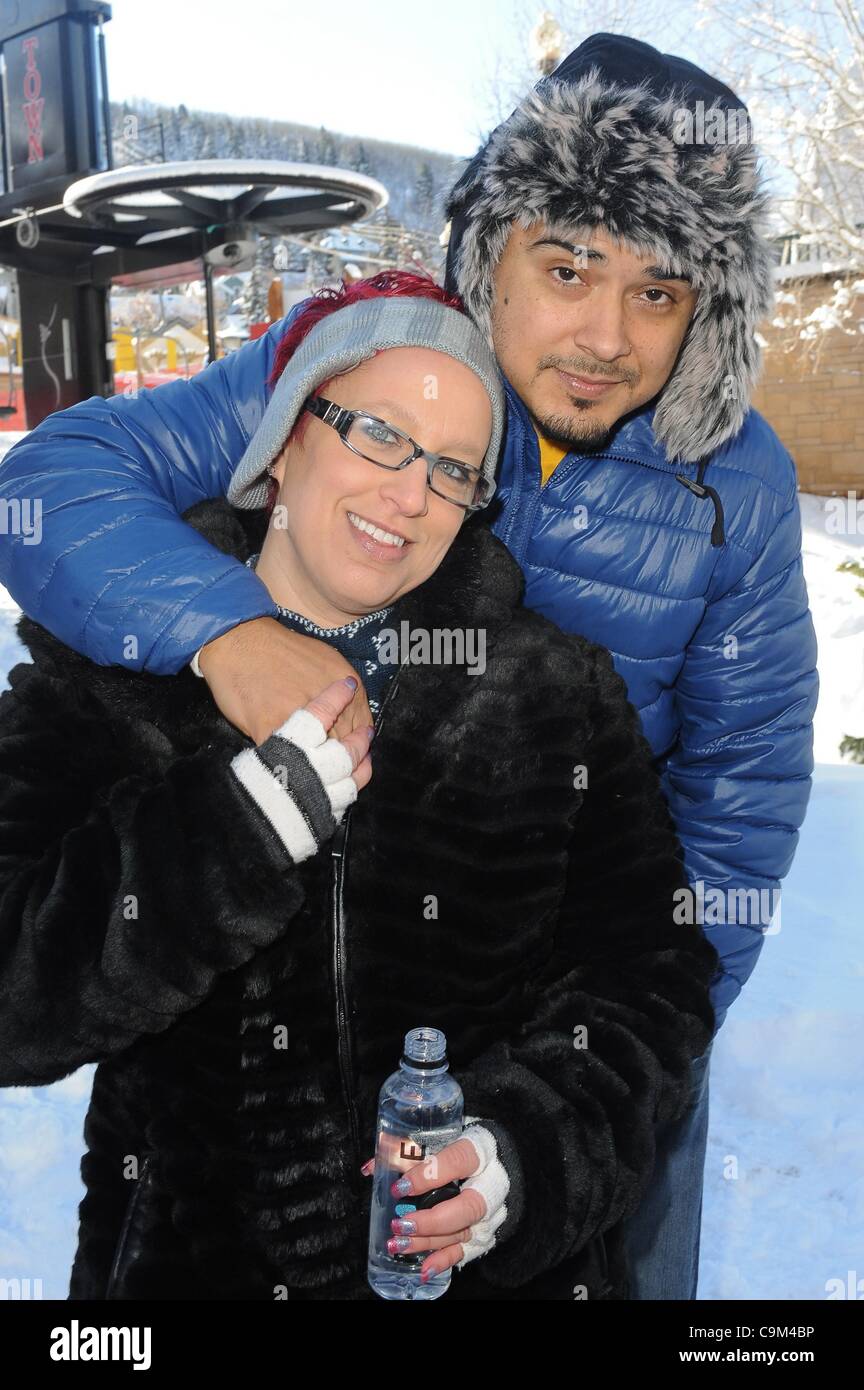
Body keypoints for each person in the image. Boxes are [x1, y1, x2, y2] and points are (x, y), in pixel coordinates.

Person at [0, 34, 818, 1298]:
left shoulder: (733, 486)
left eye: (659, 293)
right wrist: (230, 636)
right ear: (492, 246)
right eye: (568, 269)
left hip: (567, 982)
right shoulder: (365, 361)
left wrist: (606, 1075)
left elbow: (745, 783)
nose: (605, 335)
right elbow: (56, 481)